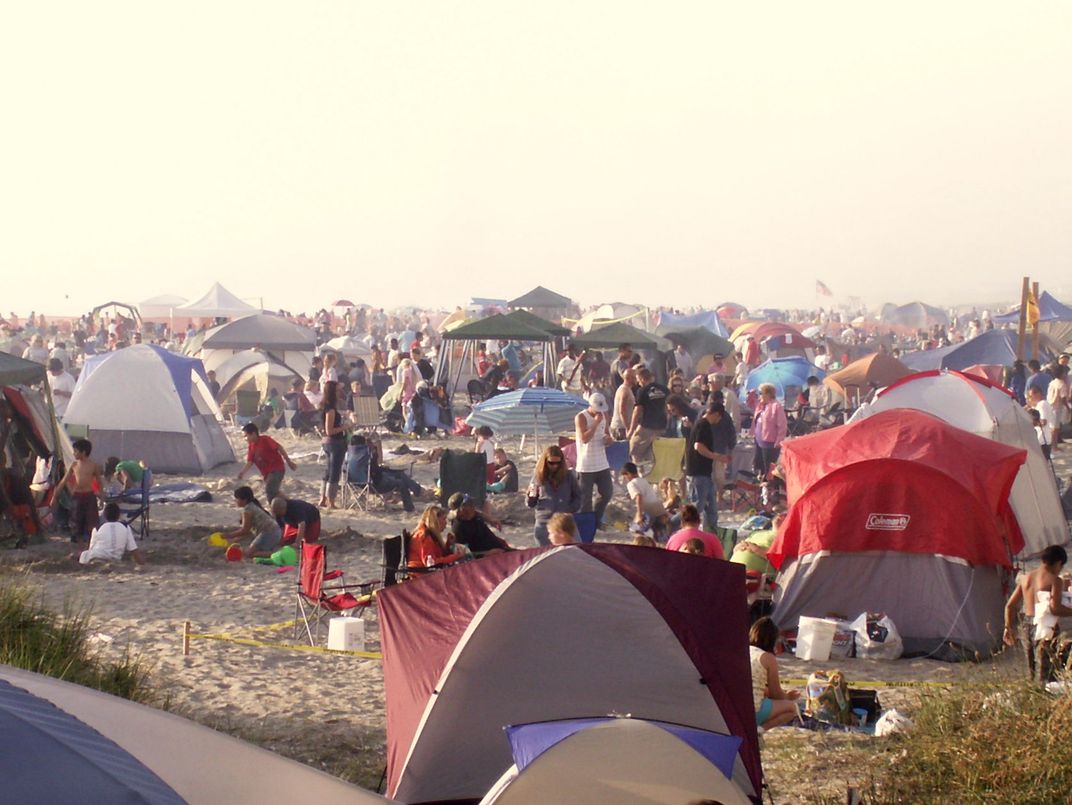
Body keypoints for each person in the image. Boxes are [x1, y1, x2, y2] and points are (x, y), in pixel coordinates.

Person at [1003, 545, 1072, 682]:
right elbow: (1055, 608)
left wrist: (1008, 627)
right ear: (1058, 563)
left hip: (1026, 625)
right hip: (1045, 626)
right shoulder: (1054, 580)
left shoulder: (1026, 578)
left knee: (1031, 668)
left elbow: (1010, 606)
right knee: (1048, 670)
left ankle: (1033, 691)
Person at [750, 617, 800, 729]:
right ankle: (760, 730)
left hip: (735, 708)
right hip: (753, 710)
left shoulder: (745, 651)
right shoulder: (767, 658)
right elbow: (776, 694)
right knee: (792, 708)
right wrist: (788, 696)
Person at [527, 445, 582, 546]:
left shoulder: (569, 475)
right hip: (544, 522)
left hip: (564, 522)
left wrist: (570, 509)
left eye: (558, 463)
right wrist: (531, 497)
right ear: (545, 462)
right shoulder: (538, 477)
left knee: (575, 551)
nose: (555, 466)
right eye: (551, 463)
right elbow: (530, 503)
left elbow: (578, 497)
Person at [575, 392, 614, 530]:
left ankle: (596, 519)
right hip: (586, 465)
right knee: (585, 500)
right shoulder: (581, 417)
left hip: (602, 462)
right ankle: (586, 525)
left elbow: (608, 435)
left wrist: (608, 440)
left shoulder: (604, 415)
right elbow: (584, 439)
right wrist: (596, 423)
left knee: (607, 492)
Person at [54, 438, 103, 543]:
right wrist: (54, 496)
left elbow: (99, 482)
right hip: (77, 495)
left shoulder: (93, 465)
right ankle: (76, 536)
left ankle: (90, 538)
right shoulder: (74, 465)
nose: (73, 453)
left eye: (76, 451)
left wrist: (102, 497)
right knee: (75, 517)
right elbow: (63, 481)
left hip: (89, 495)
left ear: (83, 452)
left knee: (91, 518)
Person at [236, 423, 297, 503]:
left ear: (253, 434)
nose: (245, 439)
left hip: (277, 469)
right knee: (275, 491)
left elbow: (279, 448)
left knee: (270, 491)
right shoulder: (251, 447)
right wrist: (242, 472)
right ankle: (292, 503)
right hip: (267, 474)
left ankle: (274, 510)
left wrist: (289, 462)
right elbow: (250, 462)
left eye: (246, 436)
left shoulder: (265, 440)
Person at [73, 501, 144, 566]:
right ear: (118, 515)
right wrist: (142, 564)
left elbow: (91, 549)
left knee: (75, 555)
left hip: (97, 556)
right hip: (115, 558)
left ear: (105, 516)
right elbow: (134, 550)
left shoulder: (98, 528)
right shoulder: (125, 527)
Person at [628, 367, 670, 470]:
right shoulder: (664, 389)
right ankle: (652, 471)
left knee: (634, 449)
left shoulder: (642, 391)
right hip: (662, 426)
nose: (638, 383)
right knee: (653, 451)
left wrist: (631, 430)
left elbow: (637, 410)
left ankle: (640, 472)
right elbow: (668, 408)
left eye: (638, 380)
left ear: (642, 378)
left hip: (646, 427)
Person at [226, 486, 283, 560]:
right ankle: (272, 552)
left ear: (244, 500)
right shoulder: (253, 505)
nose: (236, 501)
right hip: (276, 532)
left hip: (269, 533)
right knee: (252, 550)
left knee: (250, 553)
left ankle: (278, 554)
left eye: (237, 499)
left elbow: (245, 530)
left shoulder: (248, 510)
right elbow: (249, 531)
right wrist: (234, 539)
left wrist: (228, 535)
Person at [318, 381, 348, 508]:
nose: (339, 392)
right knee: (334, 471)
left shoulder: (327, 406)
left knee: (328, 470)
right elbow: (330, 430)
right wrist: (345, 427)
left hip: (328, 443)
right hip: (334, 443)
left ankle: (323, 498)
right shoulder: (330, 409)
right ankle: (330, 500)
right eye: (337, 390)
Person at [407, 504, 465, 568]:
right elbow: (431, 563)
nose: (446, 523)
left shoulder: (430, 533)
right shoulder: (424, 537)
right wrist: (456, 556)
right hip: (421, 574)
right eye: (444, 519)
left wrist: (448, 543)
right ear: (435, 521)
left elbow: (438, 555)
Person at [620, 462, 668, 540]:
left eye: (625, 477)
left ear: (628, 474)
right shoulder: (643, 480)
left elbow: (639, 497)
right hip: (659, 508)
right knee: (660, 532)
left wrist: (639, 514)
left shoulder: (631, 484)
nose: (626, 480)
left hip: (649, 510)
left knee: (636, 530)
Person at [751, 383, 787, 478]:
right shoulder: (761, 405)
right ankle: (760, 485)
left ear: (768, 394)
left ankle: (768, 487)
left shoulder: (776, 406)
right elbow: (750, 403)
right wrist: (751, 395)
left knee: (768, 468)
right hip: (759, 441)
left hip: (770, 442)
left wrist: (779, 440)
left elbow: (782, 425)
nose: (759, 395)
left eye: (761, 393)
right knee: (759, 466)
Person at [611, 367, 637, 441]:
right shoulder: (624, 390)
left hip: (622, 427)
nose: (636, 380)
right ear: (629, 378)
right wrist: (628, 427)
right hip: (620, 428)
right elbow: (622, 410)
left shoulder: (628, 389)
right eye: (634, 377)